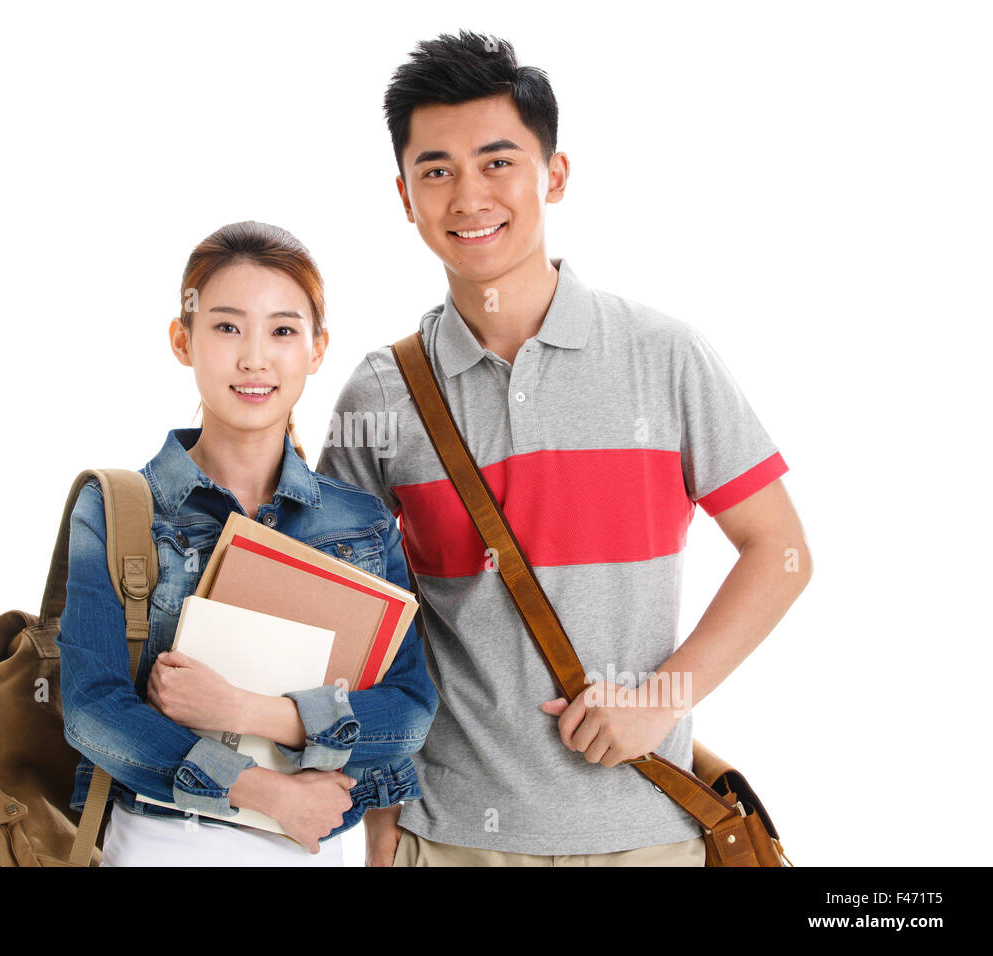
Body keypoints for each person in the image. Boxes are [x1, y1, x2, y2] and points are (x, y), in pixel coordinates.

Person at [316, 31, 813, 866]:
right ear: (404, 196)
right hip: (447, 837)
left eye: (497, 161)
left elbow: (783, 551)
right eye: (436, 170)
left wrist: (665, 698)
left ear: (555, 174)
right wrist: (381, 827)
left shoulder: (664, 356)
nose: (468, 195)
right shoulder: (381, 394)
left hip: (647, 830)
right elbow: (350, 626)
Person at [57, 221, 438, 866]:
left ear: (317, 350)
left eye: (283, 331)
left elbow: (408, 714)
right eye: (227, 327)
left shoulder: (363, 524)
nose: (255, 358)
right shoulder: (122, 508)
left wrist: (251, 711)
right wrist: (258, 789)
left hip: (311, 849)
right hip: (160, 846)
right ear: (184, 340)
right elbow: (91, 708)